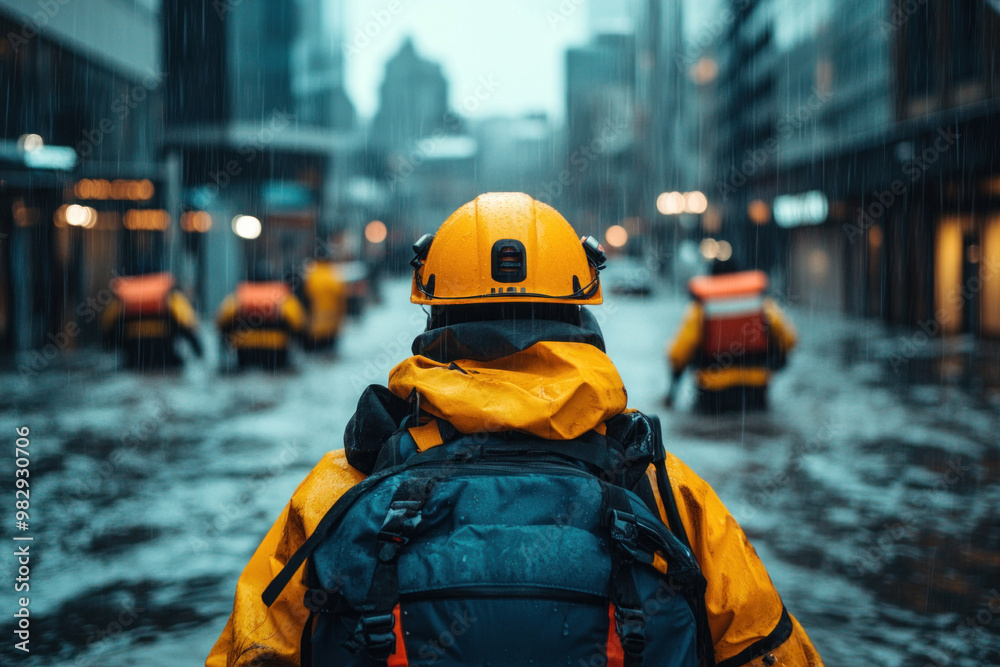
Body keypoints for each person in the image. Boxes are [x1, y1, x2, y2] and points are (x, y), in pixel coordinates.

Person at [207, 193, 823, 666]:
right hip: (741, 398)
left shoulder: (332, 496)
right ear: (581, 312)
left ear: (431, 311)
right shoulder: (671, 496)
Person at [665, 257, 797, 413]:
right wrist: (774, 362)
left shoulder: (700, 308)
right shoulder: (763, 304)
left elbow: (678, 352)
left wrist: (674, 384)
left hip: (713, 391)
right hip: (755, 388)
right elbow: (789, 338)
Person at [100, 270, 202, 368]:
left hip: (134, 362)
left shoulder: (123, 301)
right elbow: (188, 325)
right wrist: (199, 352)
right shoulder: (171, 298)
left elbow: (107, 328)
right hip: (166, 360)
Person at [216, 262, 307, 369]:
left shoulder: (241, 294)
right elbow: (298, 321)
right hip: (276, 349)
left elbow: (222, 319)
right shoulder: (282, 295)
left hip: (245, 349)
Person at [299, 246, 348, 351]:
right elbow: (341, 298)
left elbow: (304, 297)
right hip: (332, 319)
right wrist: (341, 314)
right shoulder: (334, 275)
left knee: (317, 347)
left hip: (315, 320)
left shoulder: (310, 275)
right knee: (328, 345)